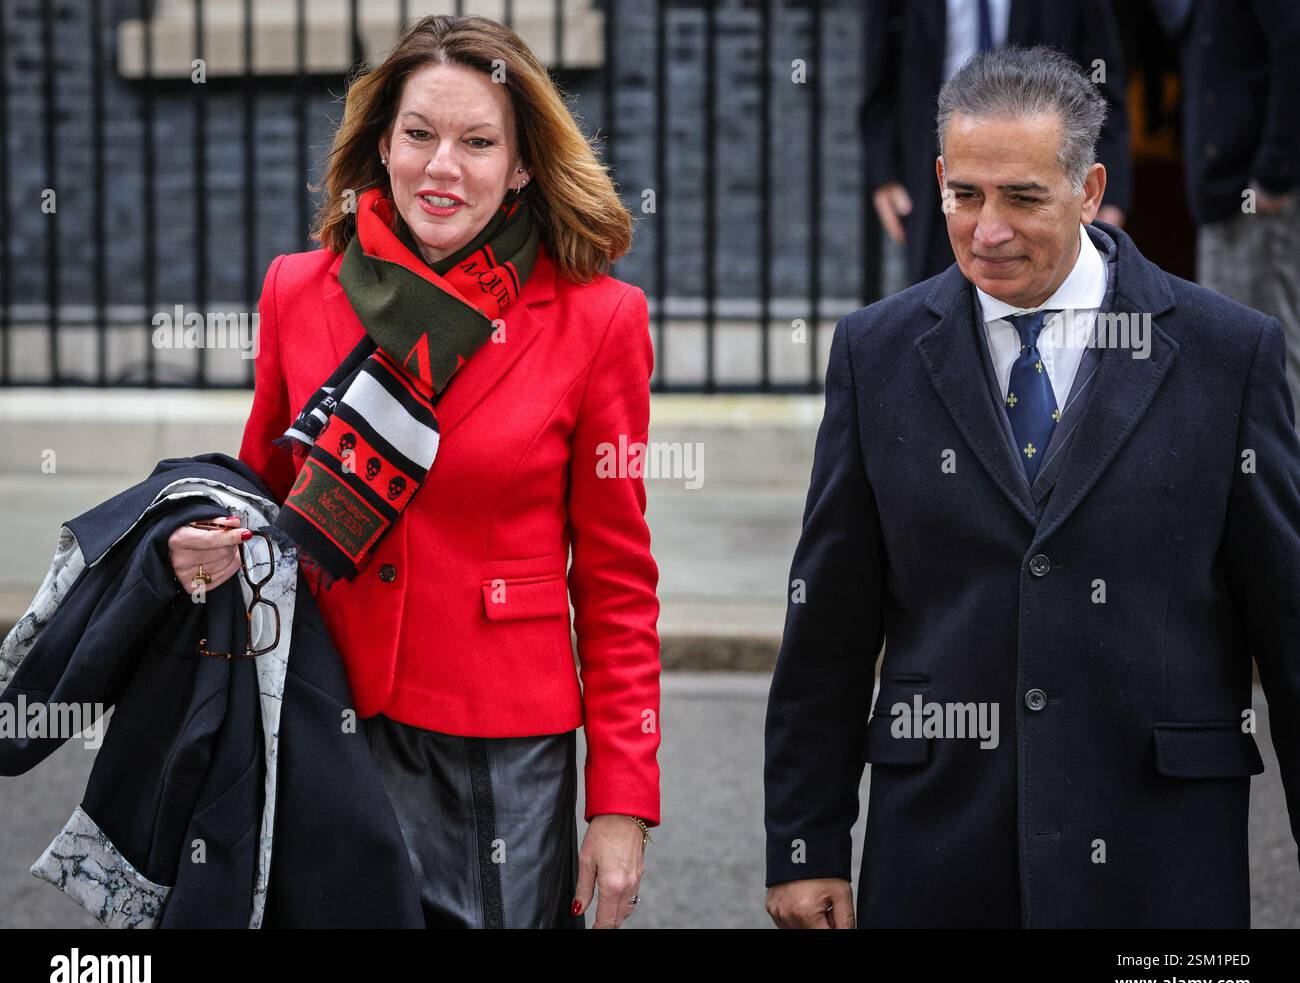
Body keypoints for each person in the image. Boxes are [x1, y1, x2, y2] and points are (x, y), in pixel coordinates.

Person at [766, 45, 1300, 928]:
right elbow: (828, 622)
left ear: (1089, 191)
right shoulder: (876, 351)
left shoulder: (1226, 354)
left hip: (1159, 860)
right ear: (937, 178)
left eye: (1023, 198)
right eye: (965, 194)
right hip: (938, 846)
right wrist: (805, 844)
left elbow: (1286, 624)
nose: (988, 230)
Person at [168, 14, 661, 929]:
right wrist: (196, 541)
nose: (443, 168)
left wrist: (622, 800)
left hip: (502, 748)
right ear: (382, 146)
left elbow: (617, 580)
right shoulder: (295, 290)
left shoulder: (599, 321)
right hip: (326, 714)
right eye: (419, 135)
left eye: (478, 142)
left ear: (521, 165)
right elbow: (258, 500)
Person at [862, 0, 1131, 286]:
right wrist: (884, 174)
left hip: (1042, 172)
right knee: (940, 306)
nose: (989, 233)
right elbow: (880, 77)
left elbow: (1103, 90)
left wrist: (1109, 195)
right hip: (933, 181)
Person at [1153, 0, 1300, 418]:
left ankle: (1281, 484)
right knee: (1231, 364)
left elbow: (1294, 46)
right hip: (1227, 194)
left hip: (1258, 201)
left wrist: (1275, 171)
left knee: (1268, 366)